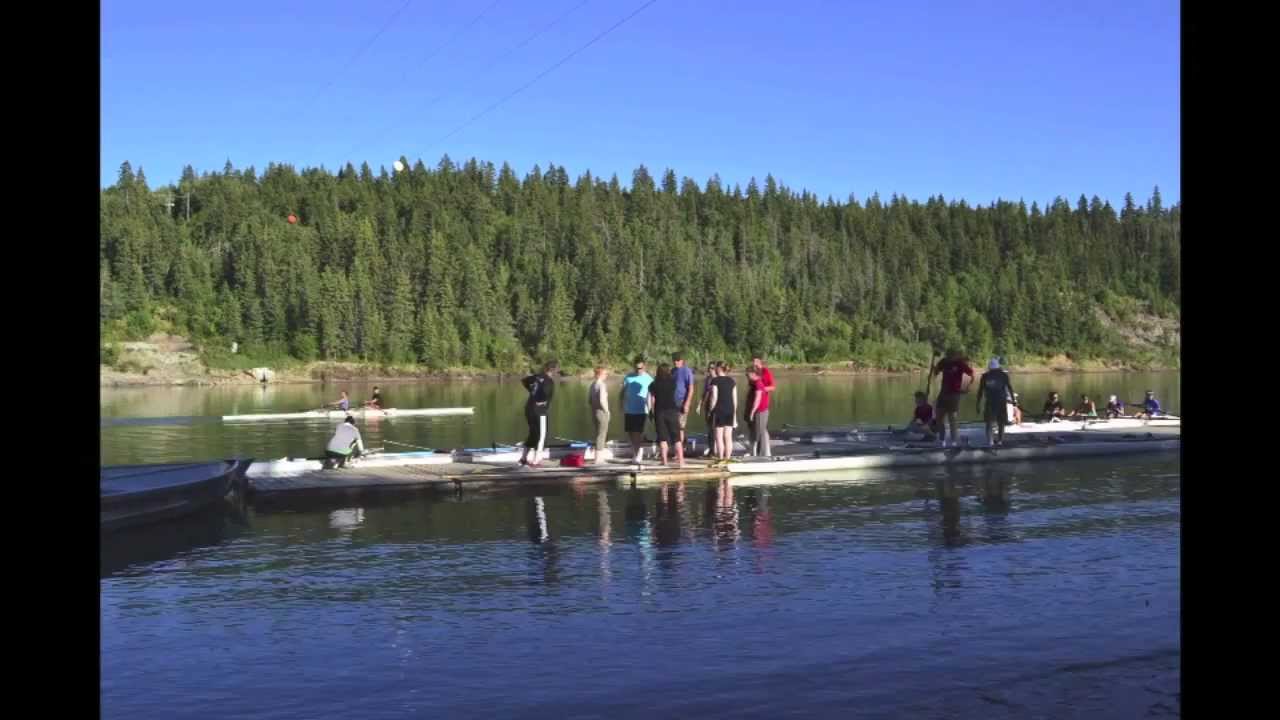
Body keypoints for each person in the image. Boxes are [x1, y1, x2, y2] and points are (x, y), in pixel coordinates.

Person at [932, 349, 974, 447]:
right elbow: (936, 372)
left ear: (955, 355)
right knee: (939, 417)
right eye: (948, 355)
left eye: (951, 355)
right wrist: (934, 369)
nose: (949, 357)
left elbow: (972, 375)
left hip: (954, 394)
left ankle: (954, 441)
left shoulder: (960, 364)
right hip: (943, 393)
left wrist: (967, 387)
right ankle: (942, 440)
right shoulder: (944, 361)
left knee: (952, 418)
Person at [520, 361, 557, 466]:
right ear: (553, 370)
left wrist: (532, 391)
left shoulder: (536, 376)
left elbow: (524, 381)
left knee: (532, 434)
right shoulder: (549, 381)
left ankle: (523, 458)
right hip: (540, 411)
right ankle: (536, 460)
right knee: (542, 435)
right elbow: (544, 393)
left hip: (528, 409)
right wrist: (541, 399)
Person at [648, 363, 685, 467]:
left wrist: (651, 411)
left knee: (663, 438)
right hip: (672, 411)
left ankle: (664, 462)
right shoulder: (673, 383)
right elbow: (676, 396)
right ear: (668, 371)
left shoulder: (653, 384)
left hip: (660, 412)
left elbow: (652, 400)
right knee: (676, 438)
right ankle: (681, 461)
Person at [975, 358, 1016, 447]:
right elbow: (1010, 388)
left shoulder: (985, 376)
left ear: (989, 367)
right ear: (998, 367)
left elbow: (980, 391)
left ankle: (990, 442)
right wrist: (1014, 401)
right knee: (1001, 422)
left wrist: (978, 404)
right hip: (1001, 401)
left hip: (990, 402)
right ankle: (1000, 441)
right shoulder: (1003, 375)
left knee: (989, 422)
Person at [620, 356, 654, 462]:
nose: (638, 370)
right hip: (629, 409)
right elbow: (622, 393)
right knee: (631, 433)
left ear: (644, 366)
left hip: (642, 410)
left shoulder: (649, 379)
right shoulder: (628, 377)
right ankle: (635, 453)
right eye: (636, 368)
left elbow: (653, 396)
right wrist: (621, 405)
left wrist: (651, 409)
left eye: (640, 368)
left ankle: (638, 454)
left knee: (637, 433)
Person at [707, 362, 738, 461]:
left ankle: (721, 458)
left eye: (716, 367)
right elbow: (735, 400)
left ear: (719, 369)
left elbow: (714, 397)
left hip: (719, 410)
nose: (715, 369)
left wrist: (711, 410)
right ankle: (727, 458)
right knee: (728, 437)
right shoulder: (732, 381)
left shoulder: (715, 381)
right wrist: (734, 413)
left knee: (719, 437)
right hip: (730, 410)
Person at [750, 355, 776, 456]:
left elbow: (773, 387)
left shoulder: (765, 372)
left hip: (763, 403)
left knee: (763, 428)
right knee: (758, 428)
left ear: (760, 363)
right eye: (753, 362)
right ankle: (760, 451)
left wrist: (761, 389)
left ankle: (765, 451)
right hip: (755, 402)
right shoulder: (753, 372)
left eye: (756, 363)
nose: (754, 364)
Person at [744, 367, 772, 456]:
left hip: (760, 411)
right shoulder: (753, 384)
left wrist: (752, 412)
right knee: (756, 432)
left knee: (758, 433)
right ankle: (757, 452)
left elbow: (757, 399)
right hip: (756, 411)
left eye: (747, 375)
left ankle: (756, 453)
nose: (747, 377)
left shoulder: (758, 384)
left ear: (753, 374)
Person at [671, 353, 696, 449]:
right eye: (674, 360)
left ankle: (680, 450)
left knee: (680, 427)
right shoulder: (673, 371)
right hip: (673, 403)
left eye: (677, 360)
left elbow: (691, 388)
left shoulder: (687, 371)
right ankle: (679, 446)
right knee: (674, 426)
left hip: (682, 402)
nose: (675, 362)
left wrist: (687, 403)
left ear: (682, 360)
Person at [586, 366, 610, 464]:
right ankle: (599, 459)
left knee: (598, 434)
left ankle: (597, 457)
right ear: (600, 374)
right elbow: (602, 400)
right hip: (601, 412)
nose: (607, 376)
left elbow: (589, 401)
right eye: (605, 374)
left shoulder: (592, 385)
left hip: (594, 411)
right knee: (602, 435)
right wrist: (607, 411)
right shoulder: (602, 385)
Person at [696, 362, 717, 456]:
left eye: (712, 368)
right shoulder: (708, 379)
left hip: (717, 406)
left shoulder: (718, 379)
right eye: (709, 368)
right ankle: (712, 449)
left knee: (715, 428)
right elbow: (704, 393)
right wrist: (699, 405)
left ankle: (716, 449)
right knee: (710, 428)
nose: (710, 370)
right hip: (708, 405)